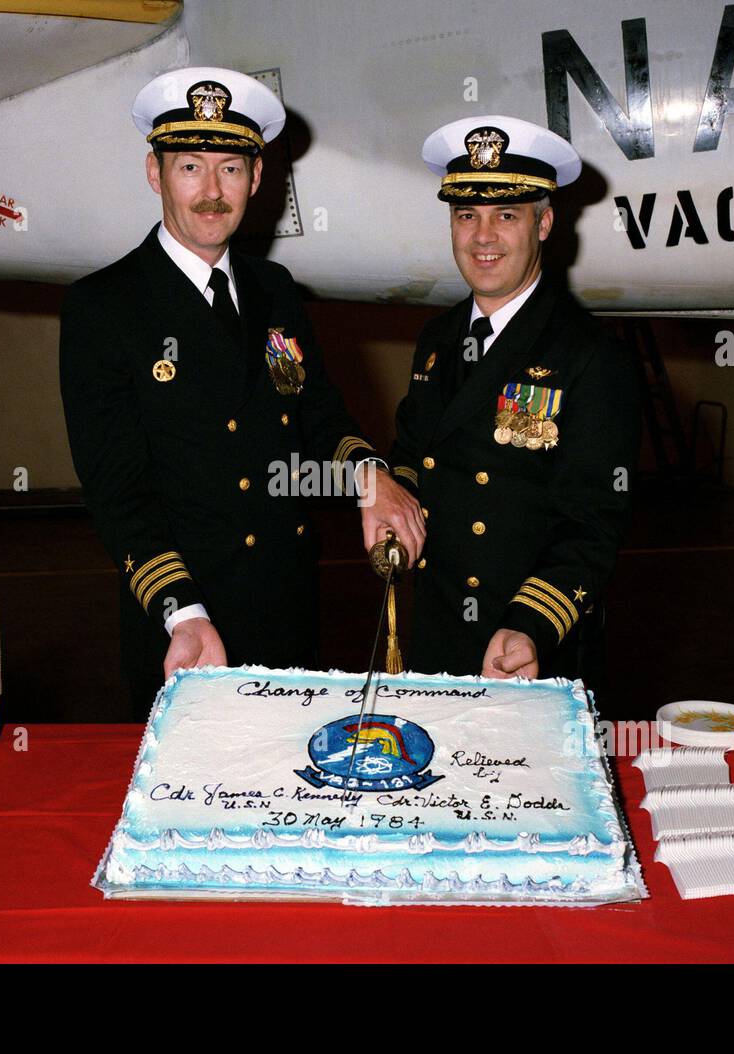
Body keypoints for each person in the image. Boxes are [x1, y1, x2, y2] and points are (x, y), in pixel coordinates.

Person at [59, 67, 423, 718]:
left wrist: (371, 476)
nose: (210, 191)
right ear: (155, 173)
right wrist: (184, 611)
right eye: (190, 166)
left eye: (230, 168)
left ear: (257, 180)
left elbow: (316, 415)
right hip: (185, 630)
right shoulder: (104, 309)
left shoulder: (276, 291)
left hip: (288, 623)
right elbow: (119, 494)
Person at [388, 115, 640, 687]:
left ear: (545, 223)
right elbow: (412, 451)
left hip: (524, 647)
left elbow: (593, 522)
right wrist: (390, 498)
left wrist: (529, 625)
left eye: (506, 216)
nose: (483, 237)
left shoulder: (590, 355)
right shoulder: (437, 338)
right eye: (466, 215)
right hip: (434, 633)